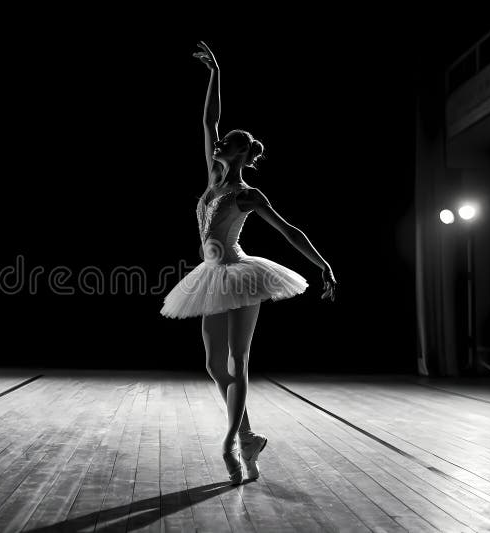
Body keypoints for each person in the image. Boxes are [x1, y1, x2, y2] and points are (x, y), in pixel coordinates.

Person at [160, 41, 338, 485]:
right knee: (212, 364)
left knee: (238, 362)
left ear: (241, 153)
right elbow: (208, 120)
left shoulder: (247, 194)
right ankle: (248, 436)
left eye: (227, 142)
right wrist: (215, 72)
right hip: (210, 276)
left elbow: (289, 231)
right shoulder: (212, 178)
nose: (218, 142)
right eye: (220, 141)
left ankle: (230, 445)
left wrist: (323, 266)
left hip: (240, 275)